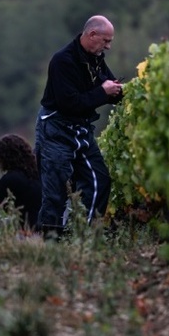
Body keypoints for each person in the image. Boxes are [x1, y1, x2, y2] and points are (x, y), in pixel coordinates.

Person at [34, 15, 123, 239]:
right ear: (92, 35)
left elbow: (109, 87)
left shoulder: (96, 58)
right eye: (106, 41)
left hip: (81, 129)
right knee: (55, 191)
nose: (108, 47)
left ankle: (83, 238)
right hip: (56, 129)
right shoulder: (62, 61)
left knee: (99, 180)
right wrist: (103, 92)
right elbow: (69, 103)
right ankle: (50, 244)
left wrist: (121, 91)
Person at [0, 134, 42, 230]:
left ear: (4, 157)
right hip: (41, 229)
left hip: (25, 232)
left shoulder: (10, 179)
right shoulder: (38, 175)